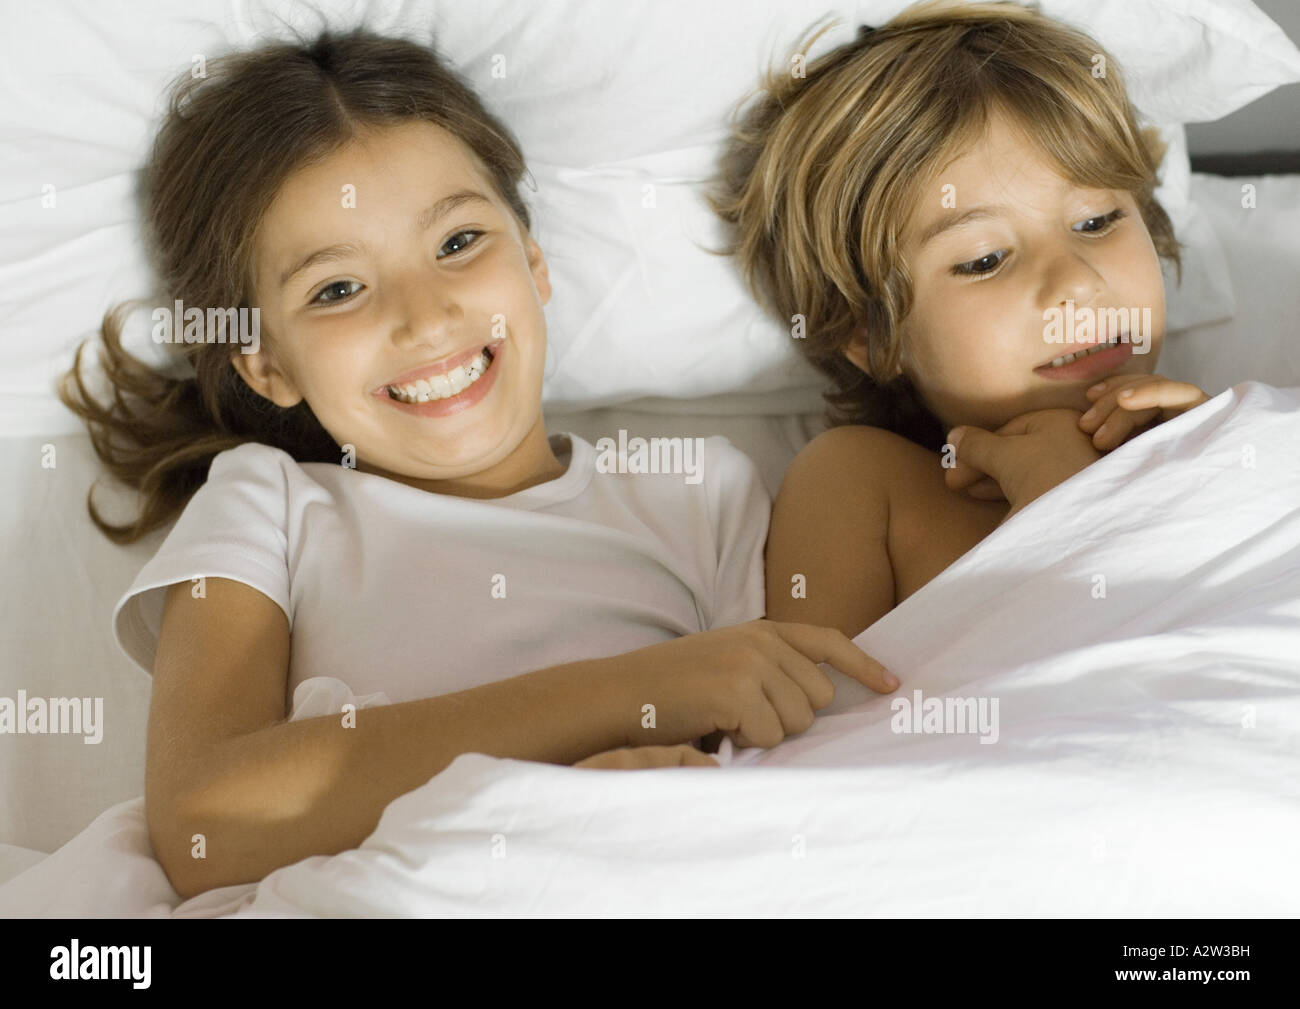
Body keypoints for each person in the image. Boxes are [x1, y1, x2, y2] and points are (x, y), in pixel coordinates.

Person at [59, 29, 895, 900]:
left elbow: (790, 756)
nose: (425, 318)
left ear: (533, 262)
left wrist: (628, 801)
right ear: (264, 364)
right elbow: (204, 824)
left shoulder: (696, 491)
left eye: (458, 242)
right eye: (336, 289)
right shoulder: (265, 505)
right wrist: (630, 693)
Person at [710, 0, 1211, 640]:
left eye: (1096, 221)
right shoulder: (865, 485)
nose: (1079, 282)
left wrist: (1201, 471)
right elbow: (818, 724)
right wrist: (1059, 506)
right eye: (984, 259)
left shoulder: (1212, 433)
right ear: (868, 333)